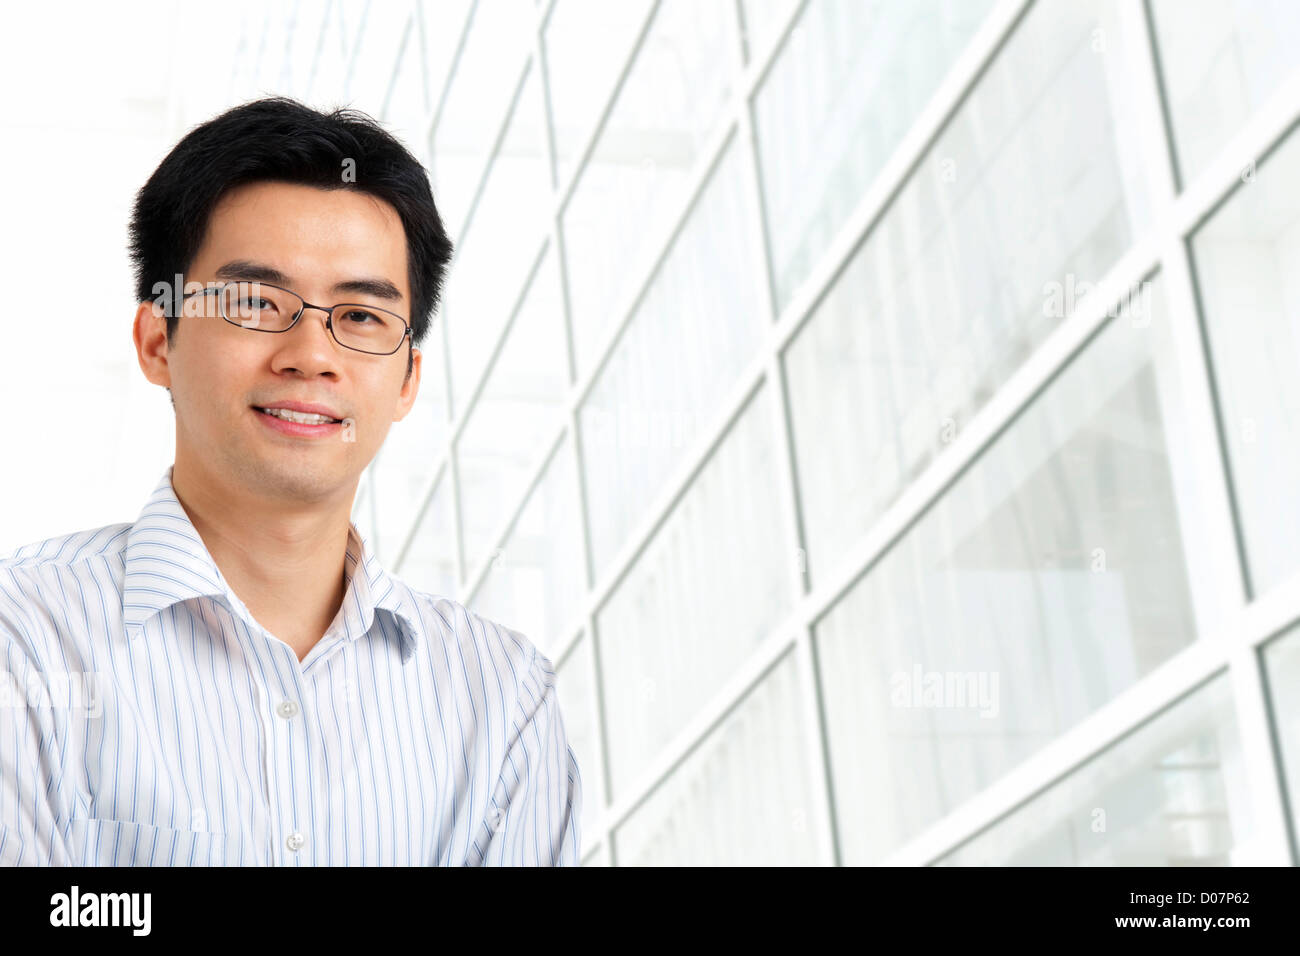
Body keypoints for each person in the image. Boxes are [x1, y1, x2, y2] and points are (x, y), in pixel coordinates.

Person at [0, 96, 582, 866]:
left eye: (363, 316)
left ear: (407, 378)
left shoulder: (502, 699)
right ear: (156, 341)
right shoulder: (28, 642)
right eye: (255, 303)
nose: (311, 354)